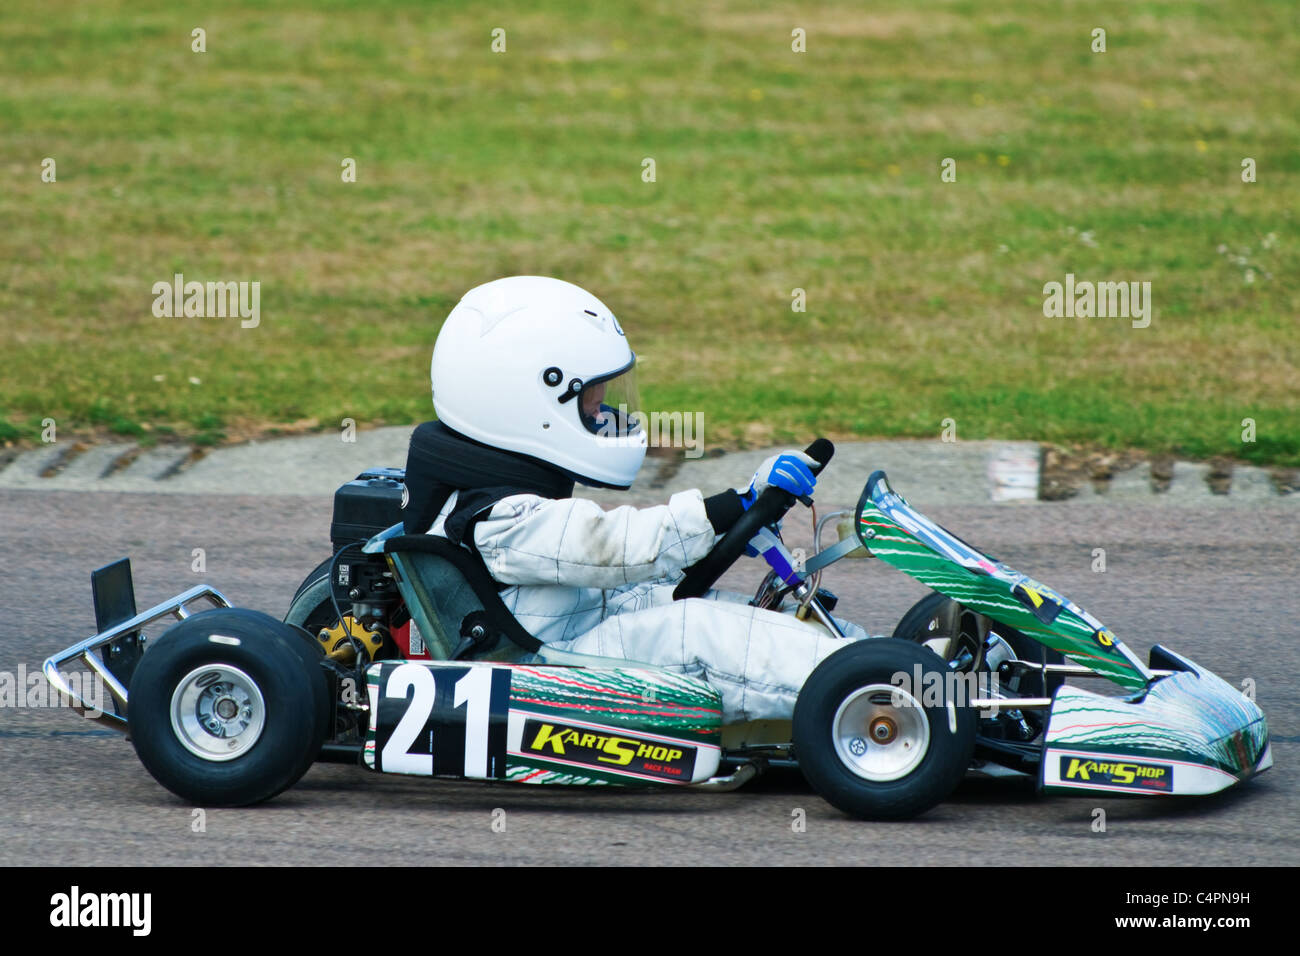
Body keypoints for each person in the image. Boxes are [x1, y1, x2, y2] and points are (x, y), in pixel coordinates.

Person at [404, 275, 868, 724]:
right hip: (555, 667)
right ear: (524, 399)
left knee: (738, 610)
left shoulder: (482, 490)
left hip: (585, 620)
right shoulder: (501, 521)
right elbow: (616, 546)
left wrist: (727, 526)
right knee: (700, 628)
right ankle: (874, 694)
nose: (603, 411)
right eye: (590, 400)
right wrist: (732, 506)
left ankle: (881, 660)